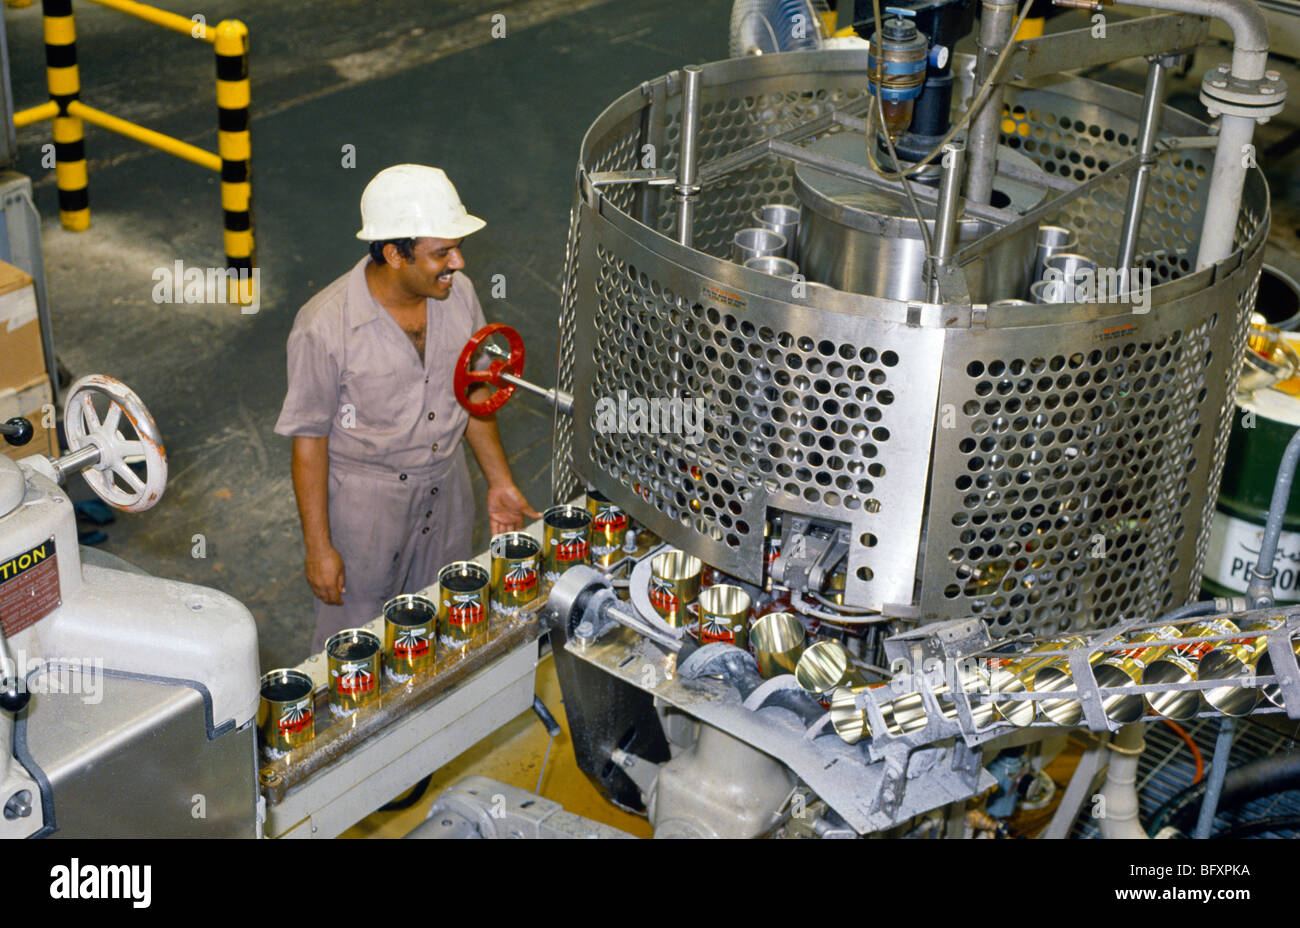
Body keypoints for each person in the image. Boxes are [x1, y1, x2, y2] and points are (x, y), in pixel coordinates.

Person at [274, 164, 539, 651]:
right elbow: (309, 442)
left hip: (447, 486)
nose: (457, 262)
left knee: (442, 628)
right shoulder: (324, 326)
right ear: (395, 253)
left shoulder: (459, 296)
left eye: (457, 247)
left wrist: (499, 481)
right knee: (354, 647)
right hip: (366, 506)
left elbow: (473, 390)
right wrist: (319, 546)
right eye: (441, 253)